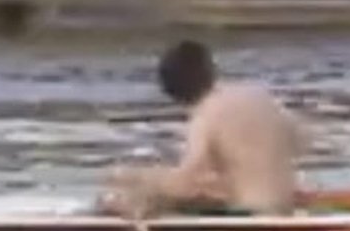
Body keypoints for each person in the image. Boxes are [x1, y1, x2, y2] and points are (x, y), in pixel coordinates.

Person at [99, 40, 305, 217]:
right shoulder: (260, 97)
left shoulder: (206, 114)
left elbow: (183, 185)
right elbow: (300, 142)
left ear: (174, 93)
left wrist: (139, 177)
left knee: (128, 194)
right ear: (211, 70)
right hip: (285, 210)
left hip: (251, 215)